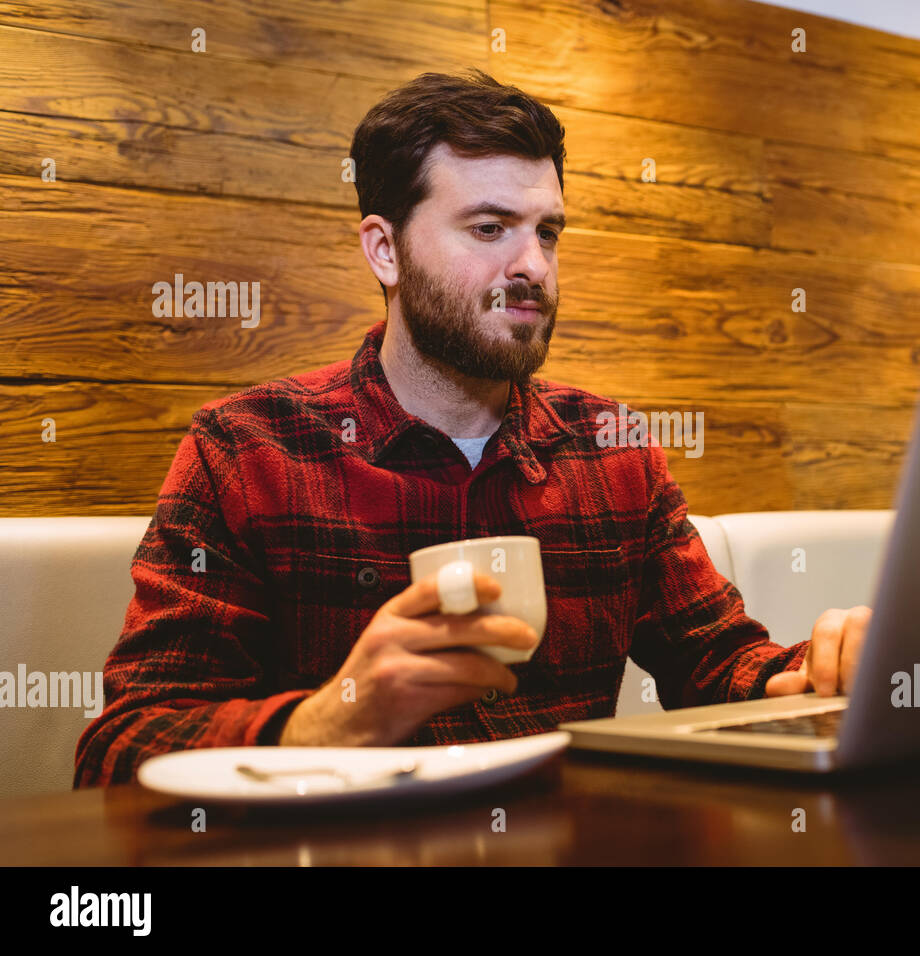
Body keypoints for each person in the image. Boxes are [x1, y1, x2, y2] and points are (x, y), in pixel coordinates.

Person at [73, 68, 871, 787]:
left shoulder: (611, 448)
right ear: (385, 250)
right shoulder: (248, 450)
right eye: (490, 229)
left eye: (547, 231)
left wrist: (821, 675)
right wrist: (329, 722)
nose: (533, 266)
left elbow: (717, 659)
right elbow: (122, 750)